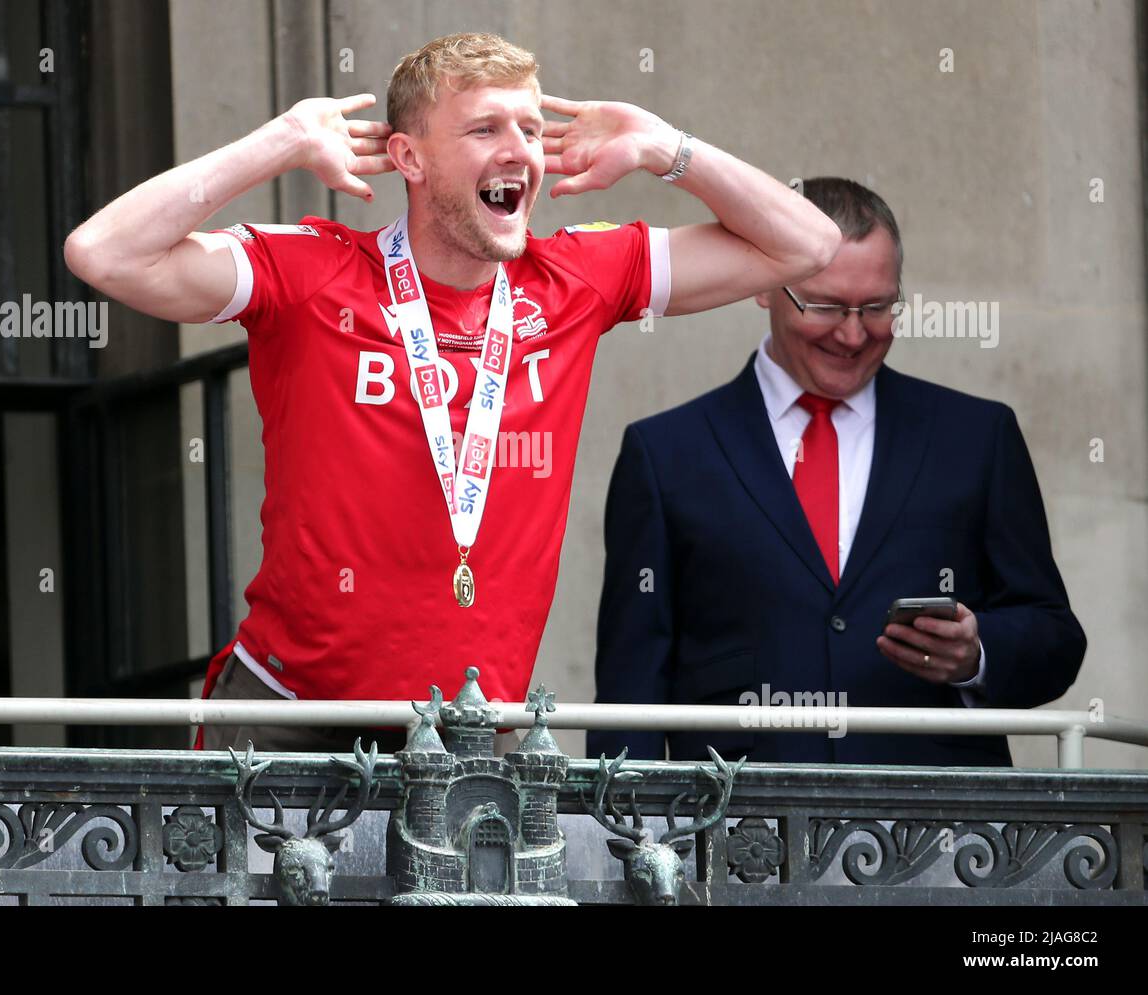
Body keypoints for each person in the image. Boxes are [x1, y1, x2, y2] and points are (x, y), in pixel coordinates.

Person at [64, 33, 841, 753]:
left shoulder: (575, 277)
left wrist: (667, 148)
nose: (520, 151)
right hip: (290, 717)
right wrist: (281, 144)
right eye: (484, 131)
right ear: (409, 157)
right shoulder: (311, 273)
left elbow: (808, 245)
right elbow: (103, 253)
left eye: (531, 130)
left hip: (479, 732)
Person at [588, 177, 1086, 767]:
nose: (853, 334)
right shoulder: (665, 453)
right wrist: (630, 842)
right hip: (738, 829)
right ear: (763, 285)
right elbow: (630, 690)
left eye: (875, 307)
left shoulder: (977, 437)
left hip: (941, 830)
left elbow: (1055, 635)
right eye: (825, 306)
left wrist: (979, 652)